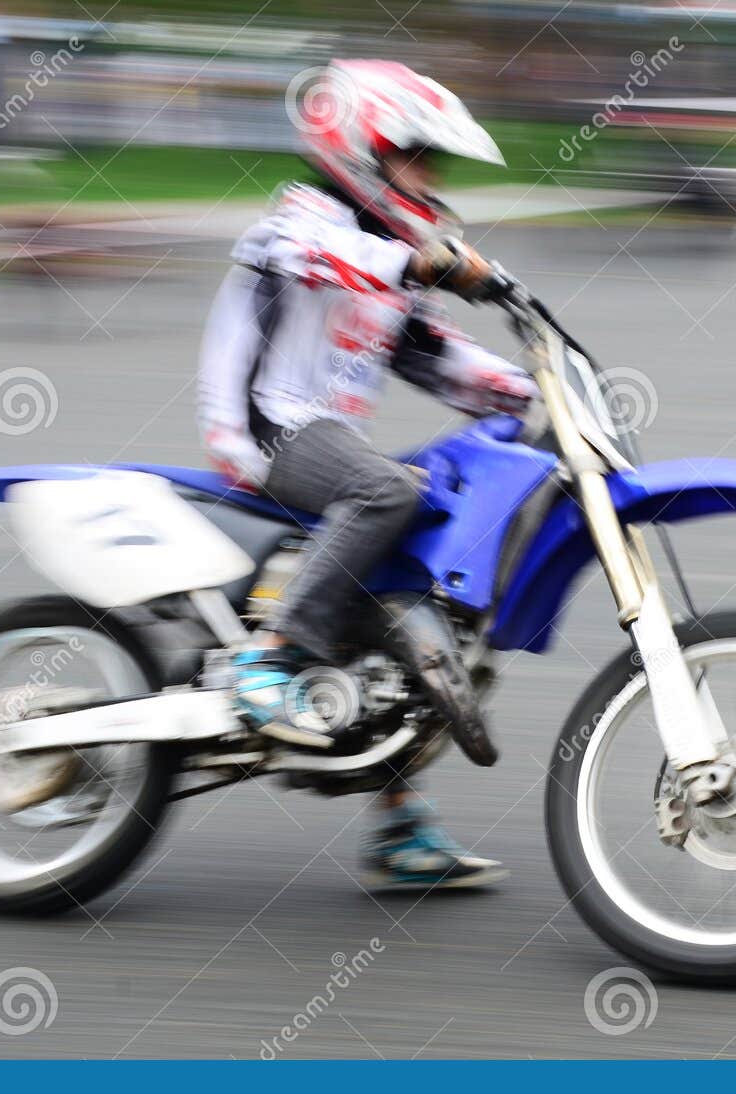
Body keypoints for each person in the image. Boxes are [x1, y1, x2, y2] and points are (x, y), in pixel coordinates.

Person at [196, 60, 535, 891]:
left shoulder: (387, 252)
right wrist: (423, 263)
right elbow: (329, 260)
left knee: (418, 596)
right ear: (363, 151)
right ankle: (267, 663)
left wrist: (535, 388)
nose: (431, 179)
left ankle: (396, 824)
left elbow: (436, 358)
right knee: (389, 491)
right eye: (418, 157)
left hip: (328, 442)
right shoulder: (302, 220)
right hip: (269, 429)